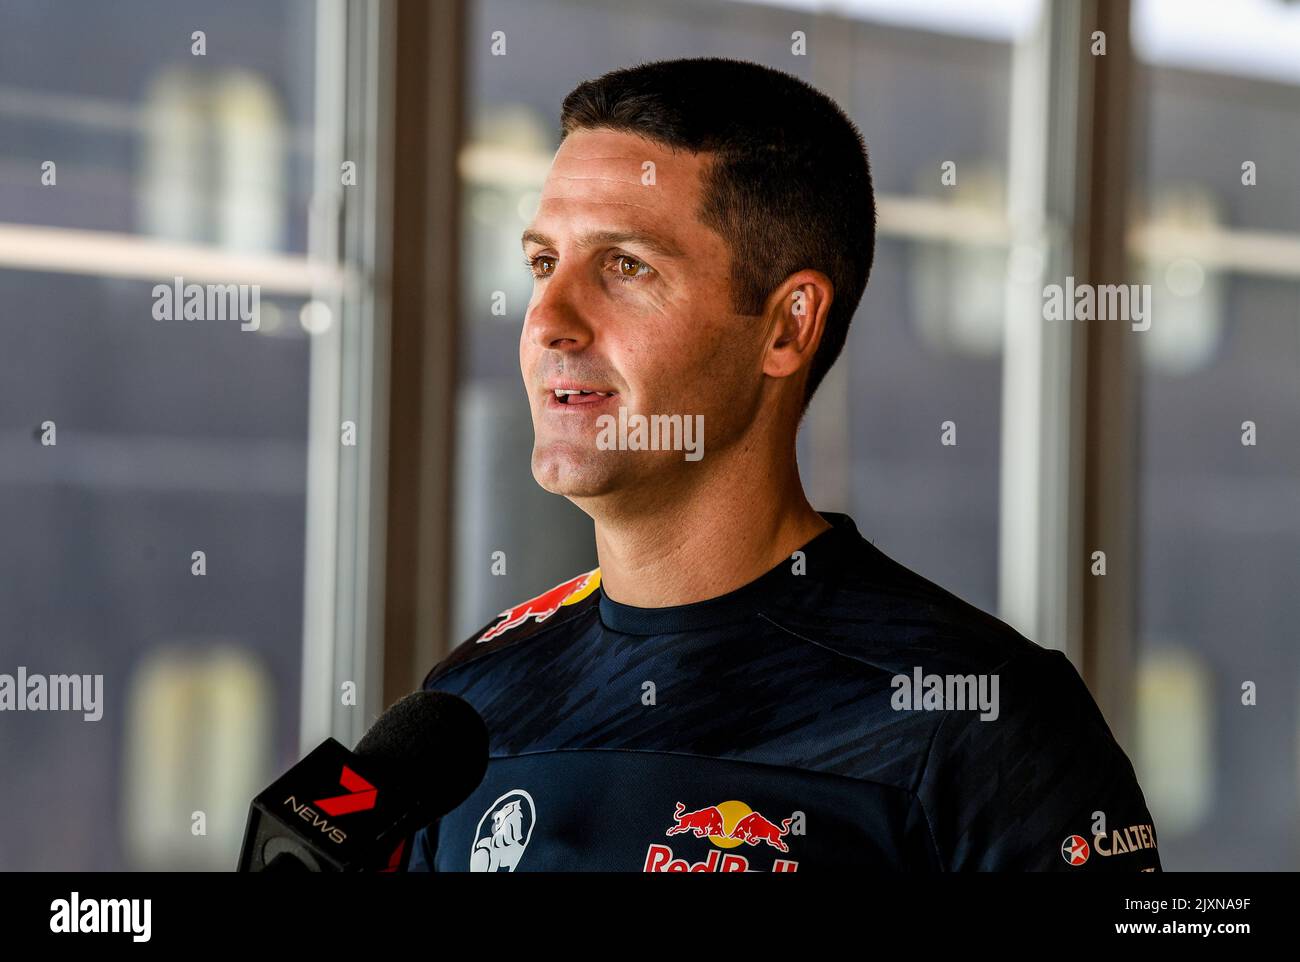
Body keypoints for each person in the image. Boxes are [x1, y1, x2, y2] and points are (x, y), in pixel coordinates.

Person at [409, 57, 1160, 872]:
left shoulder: (980, 720)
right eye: (542, 264)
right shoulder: (466, 707)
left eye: (626, 266)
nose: (548, 322)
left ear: (786, 329)